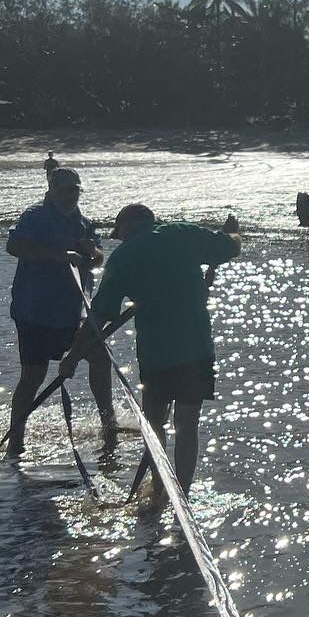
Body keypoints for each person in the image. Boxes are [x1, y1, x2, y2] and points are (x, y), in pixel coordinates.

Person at [59, 205, 240, 500]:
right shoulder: (182, 233)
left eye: (120, 234)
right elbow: (230, 247)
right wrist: (233, 230)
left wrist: (72, 357)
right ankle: (183, 492)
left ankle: (160, 488)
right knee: (187, 422)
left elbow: (99, 316)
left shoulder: (123, 258)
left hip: (158, 354)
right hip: (197, 348)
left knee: (155, 423)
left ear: (128, 226)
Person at [5, 164, 115, 456]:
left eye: (74, 191)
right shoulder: (35, 217)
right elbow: (14, 245)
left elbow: (99, 258)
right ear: (51, 192)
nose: (70, 196)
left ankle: (109, 429)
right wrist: (58, 256)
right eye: (64, 191)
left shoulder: (85, 224)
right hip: (35, 312)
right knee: (32, 377)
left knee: (102, 362)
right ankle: (15, 442)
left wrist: (92, 254)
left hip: (75, 313)